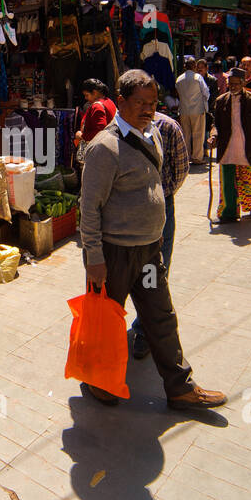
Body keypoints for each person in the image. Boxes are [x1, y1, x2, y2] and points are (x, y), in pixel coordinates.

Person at [79, 70, 227, 410]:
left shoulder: (154, 135)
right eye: (140, 103)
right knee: (107, 321)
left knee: (160, 316)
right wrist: (94, 258)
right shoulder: (104, 147)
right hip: (114, 255)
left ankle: (180, 387)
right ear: (121, 102)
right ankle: (99, 381)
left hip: (148, 252)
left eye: (152, 103)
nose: (148, 109)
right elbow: (88, 209)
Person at [130, 107, 188, 359]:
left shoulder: (168, 127)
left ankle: (145, 330)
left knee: (155, 269)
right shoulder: (121, 126)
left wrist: (160, 195)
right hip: (128, 210)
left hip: (160, 209)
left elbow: (181, 168)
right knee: (133, 270)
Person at [209, 67, 251, 223]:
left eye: (235, 84)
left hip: (246, 148)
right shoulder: (221, 101)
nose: (232, 87)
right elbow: (216, 124)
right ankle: (229, 213)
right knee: (227, 183)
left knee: (249, 183)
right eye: (230, 84)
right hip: (227, 148)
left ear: (242, 83)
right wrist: (213, 136)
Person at [174, 56, 210, 165]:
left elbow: (178, 94)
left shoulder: (179, 79)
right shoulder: (197, 77)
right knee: (198, 134)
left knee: (186, 134)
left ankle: (187, 156)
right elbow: (206, 93)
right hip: (197, 110)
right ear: (194, 66)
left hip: (184, 110)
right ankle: (197, 158)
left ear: (185, 67)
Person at [74, 79, 117, 155]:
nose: (86, 98)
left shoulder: (97, 106)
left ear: (94, 92)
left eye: (87, 95)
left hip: (99, 152)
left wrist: (82, 136)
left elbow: (99, 131)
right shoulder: (109, 102)